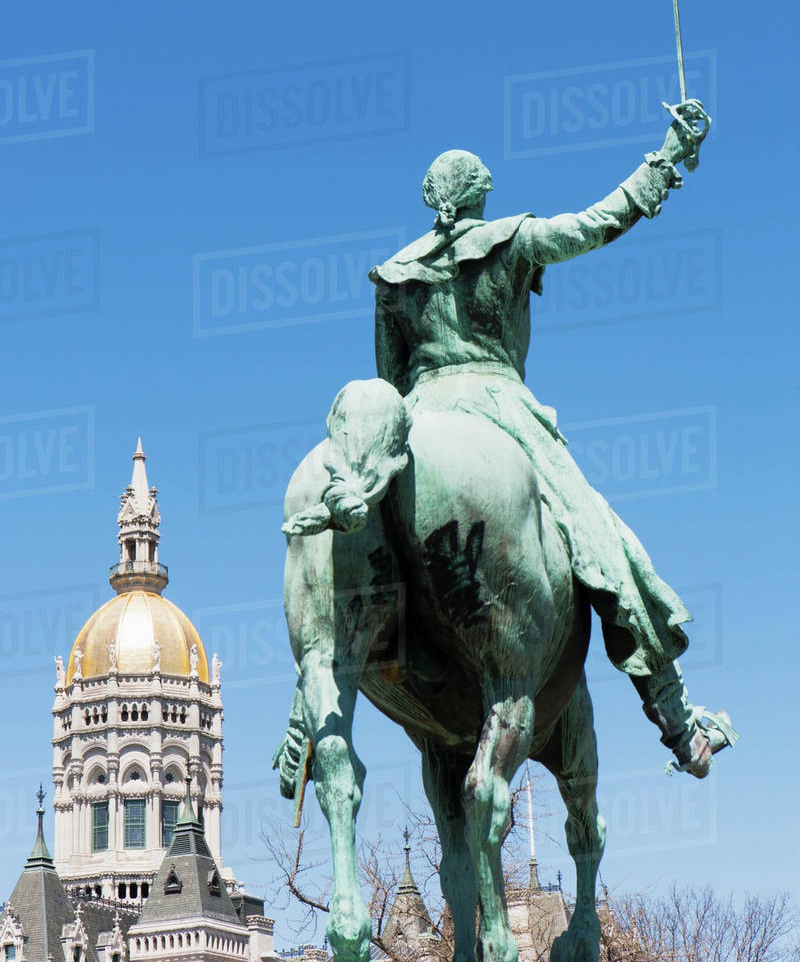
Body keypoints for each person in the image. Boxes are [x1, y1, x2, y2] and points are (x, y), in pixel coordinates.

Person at [285, 102, 736, 778]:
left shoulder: (394, 277)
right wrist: (666, 162)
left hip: (414, 410)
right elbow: (598, 222)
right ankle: (678, 722)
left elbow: (390, 379)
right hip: (502, 408)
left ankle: (312, 697)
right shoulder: (514, 240)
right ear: (479, 197)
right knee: (605, 545)